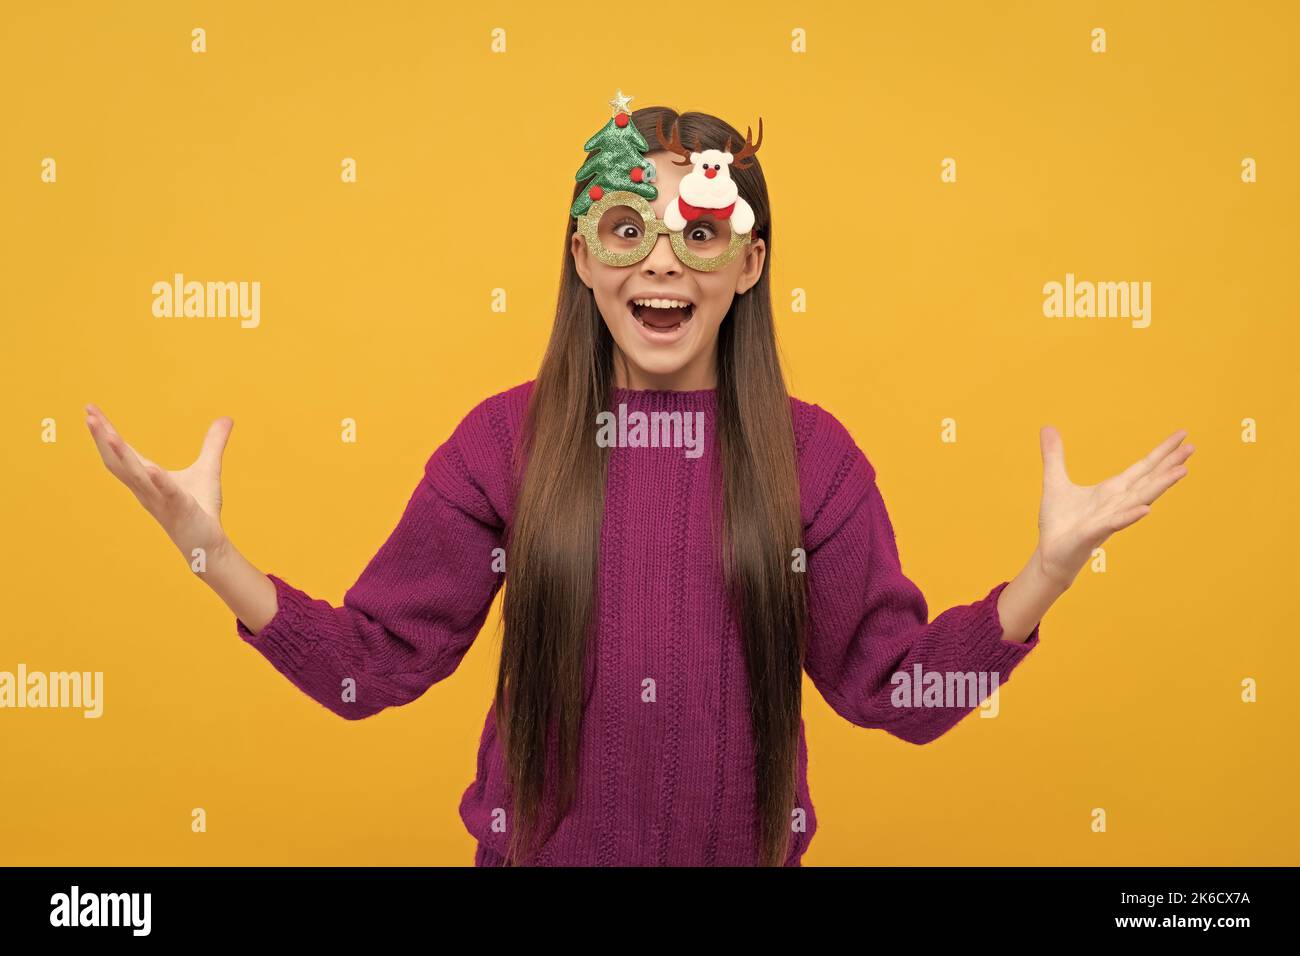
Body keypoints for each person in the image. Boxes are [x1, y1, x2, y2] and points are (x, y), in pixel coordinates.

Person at [85, 96, 1194, 866]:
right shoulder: (503, 444)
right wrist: (210, 552)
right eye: (626, 229)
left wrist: (1044, 574)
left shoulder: (814, 458)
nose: (660, 261)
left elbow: (894, 693)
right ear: (580, 255)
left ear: (749, 263)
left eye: (699, 233)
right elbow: (370, 670)